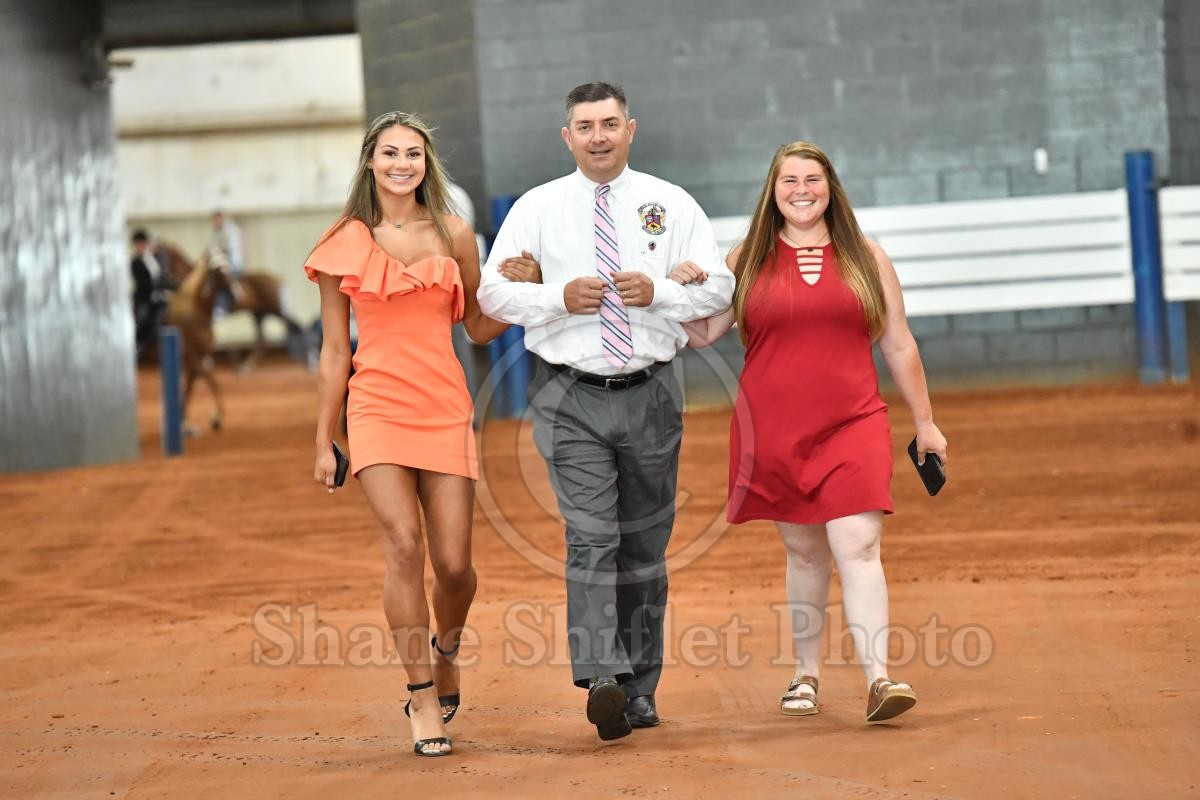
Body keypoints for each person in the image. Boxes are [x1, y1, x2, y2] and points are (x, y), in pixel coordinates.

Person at [477, 82, 735, 741]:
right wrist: (558, 296)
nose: (598, 135)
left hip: (651, 391)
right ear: (567, 137)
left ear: (630, 130)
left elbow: (723, 283)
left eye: (609, 123)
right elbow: (492, 292)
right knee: (593, 536)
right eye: (585, 125)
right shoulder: (538, 209)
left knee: (643, 544)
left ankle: (639, 690)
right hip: (570, 395)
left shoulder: (670, 204)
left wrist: (662, 293)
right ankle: (603, 678)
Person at [672, 141, 948, 724]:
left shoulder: (866, 255)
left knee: (859, 544)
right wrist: (685, 286)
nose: (802, 189)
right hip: (772, 427)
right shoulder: (748, 255)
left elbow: (898, 342)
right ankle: (806, 674)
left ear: (831, 187)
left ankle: (880, 679)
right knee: (805, 553)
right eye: (789, 180)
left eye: (813, 179)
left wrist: (925, 423)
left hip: (854, 421)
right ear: (773, 191)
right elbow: (702, 334)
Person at [305, 111, 511, 757]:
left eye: (413, 153)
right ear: (371, 162)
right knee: (404, 546)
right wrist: (324, 437)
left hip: (445, 404)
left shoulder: (455, 233)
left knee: (454, 566)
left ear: (426, 162)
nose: (402, 163)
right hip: (376, 406)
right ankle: (422, 699)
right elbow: (336, 351)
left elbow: (477, 327)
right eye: (390, 152)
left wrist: (525, 295)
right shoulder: (344, 239)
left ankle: (446, 650)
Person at [129, 229, 176, 357]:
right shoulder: (135, 263)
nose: (142, 246)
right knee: (142, 317)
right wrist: (159, 289)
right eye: (139, 244)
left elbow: (163, 276)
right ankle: (138, 343)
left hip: (160, 297)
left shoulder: (156, 258)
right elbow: (144, 284)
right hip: (145, 297)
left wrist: (174, 287)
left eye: (143, 243)